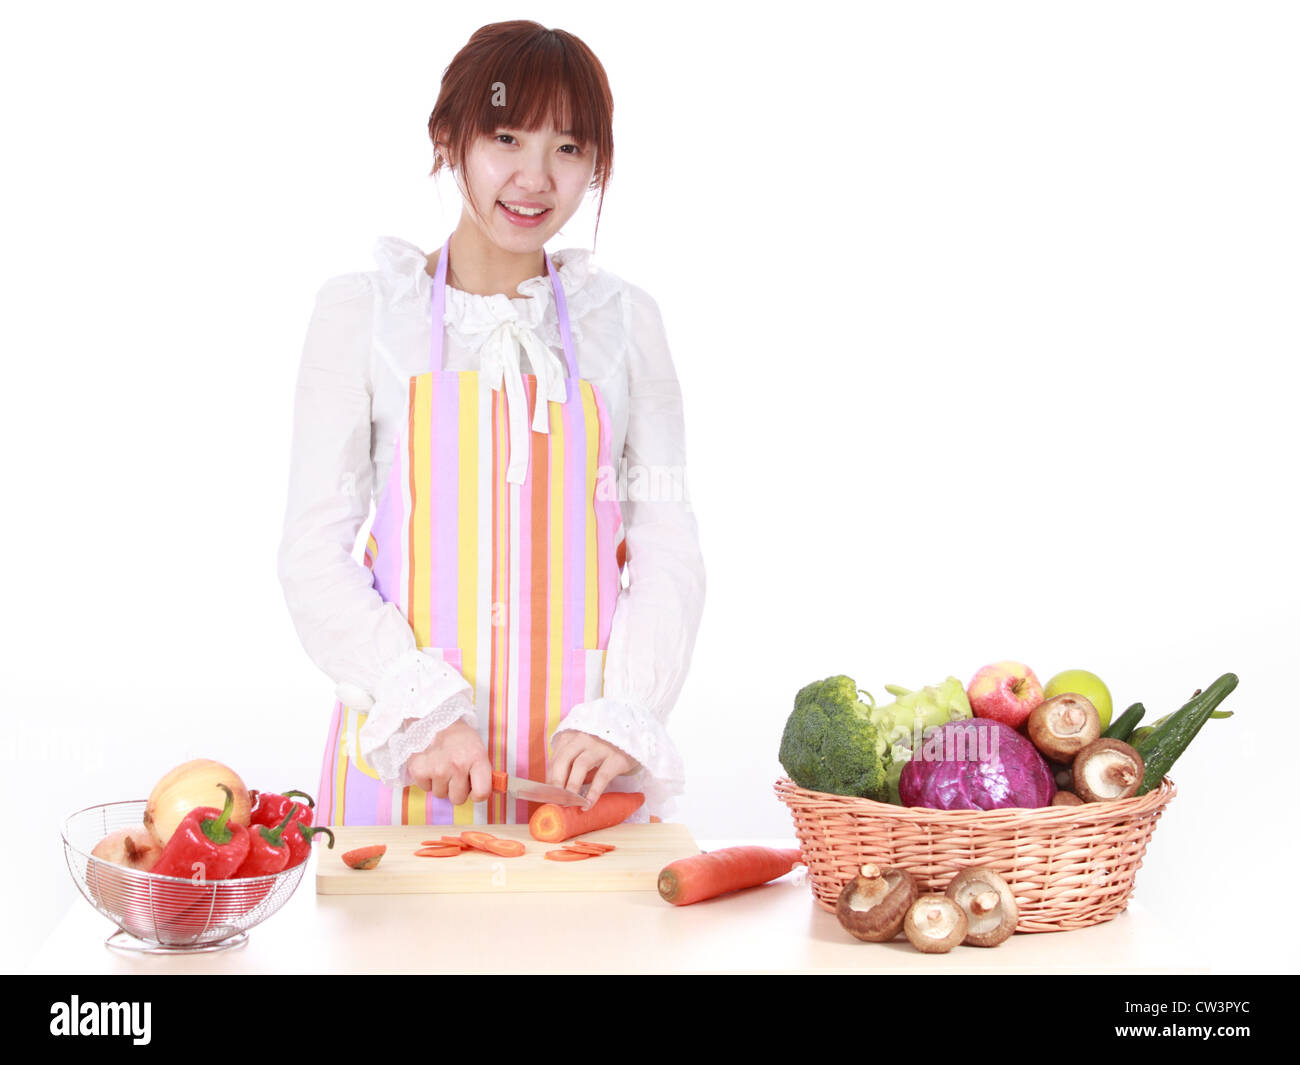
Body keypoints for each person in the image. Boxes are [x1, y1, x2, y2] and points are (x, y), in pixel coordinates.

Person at [276, 21, 706, 828]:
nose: (534, 178)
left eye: (569, 149)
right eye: (506, 136)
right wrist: (419, 708)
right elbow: (311, 548)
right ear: (449, 137)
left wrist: (624, 711)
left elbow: (667, 542)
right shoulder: (364, 315)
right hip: (405, 773)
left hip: (576, 778)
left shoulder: (627, 325)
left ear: (597, 166)